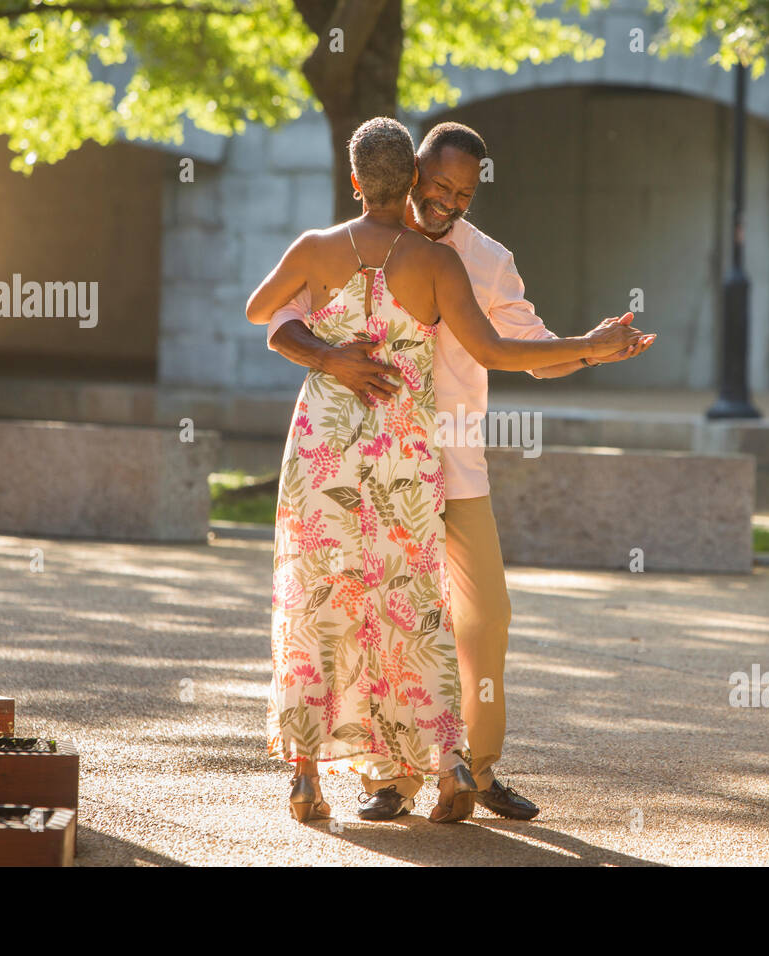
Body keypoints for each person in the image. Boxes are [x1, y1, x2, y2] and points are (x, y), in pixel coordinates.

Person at [246, 117, 646, 824]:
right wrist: (329, 356)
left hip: (448, 467)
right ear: (412, 177)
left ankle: (476, 770)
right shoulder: (358, 246)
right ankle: (393, 779)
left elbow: (521, 348)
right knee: (382, 616)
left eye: (464, 194)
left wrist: (590, 350)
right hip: (373, 468)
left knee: (480, 619)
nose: (450, 203)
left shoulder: (485, 260)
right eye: (440, 187)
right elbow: (279, 321)